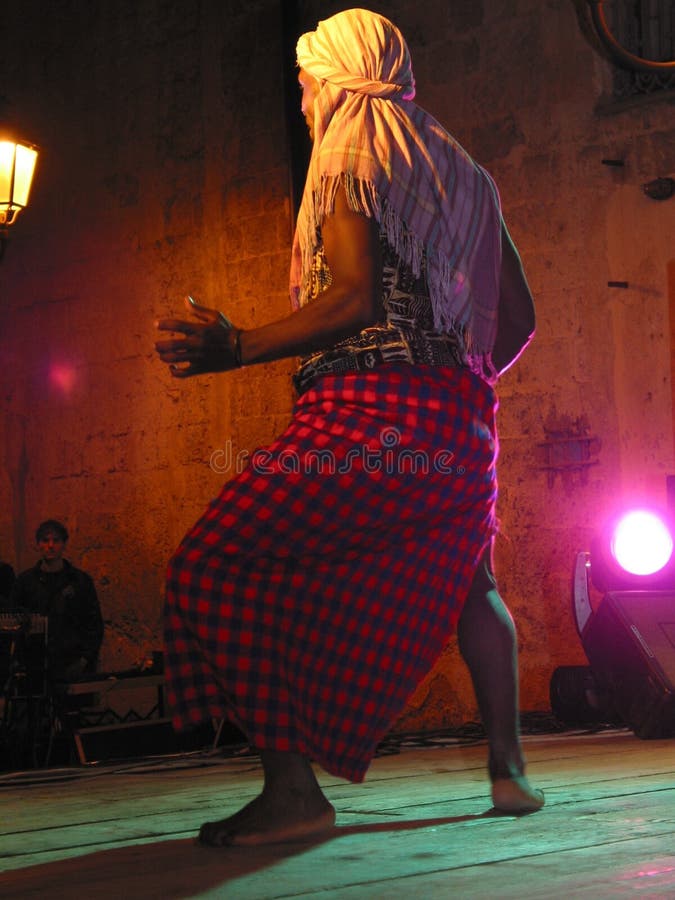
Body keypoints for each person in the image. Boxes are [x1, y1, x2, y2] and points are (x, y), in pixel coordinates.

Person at [156, 8, 541, 846]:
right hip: (459, 419)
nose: (302, 103)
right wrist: (453, 387)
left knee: (211, 565)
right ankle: (508, 770)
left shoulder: (349, 146)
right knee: (471, 585)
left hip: (367, 414)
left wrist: (238, 346)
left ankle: (294, 792)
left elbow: (355, 299)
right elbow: (518, 321)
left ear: (336, 76)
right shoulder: (465, 172)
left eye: (304, 84)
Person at [8, 520, 103, 683]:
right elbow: (13, 622)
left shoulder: (80, 581)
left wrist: (84, 660)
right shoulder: (25, 582)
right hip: (34, 666)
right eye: (45, 540)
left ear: (64, 544)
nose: (50, 546)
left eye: (56, 540)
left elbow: (94, 624)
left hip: (71, 663)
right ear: (38, 544)